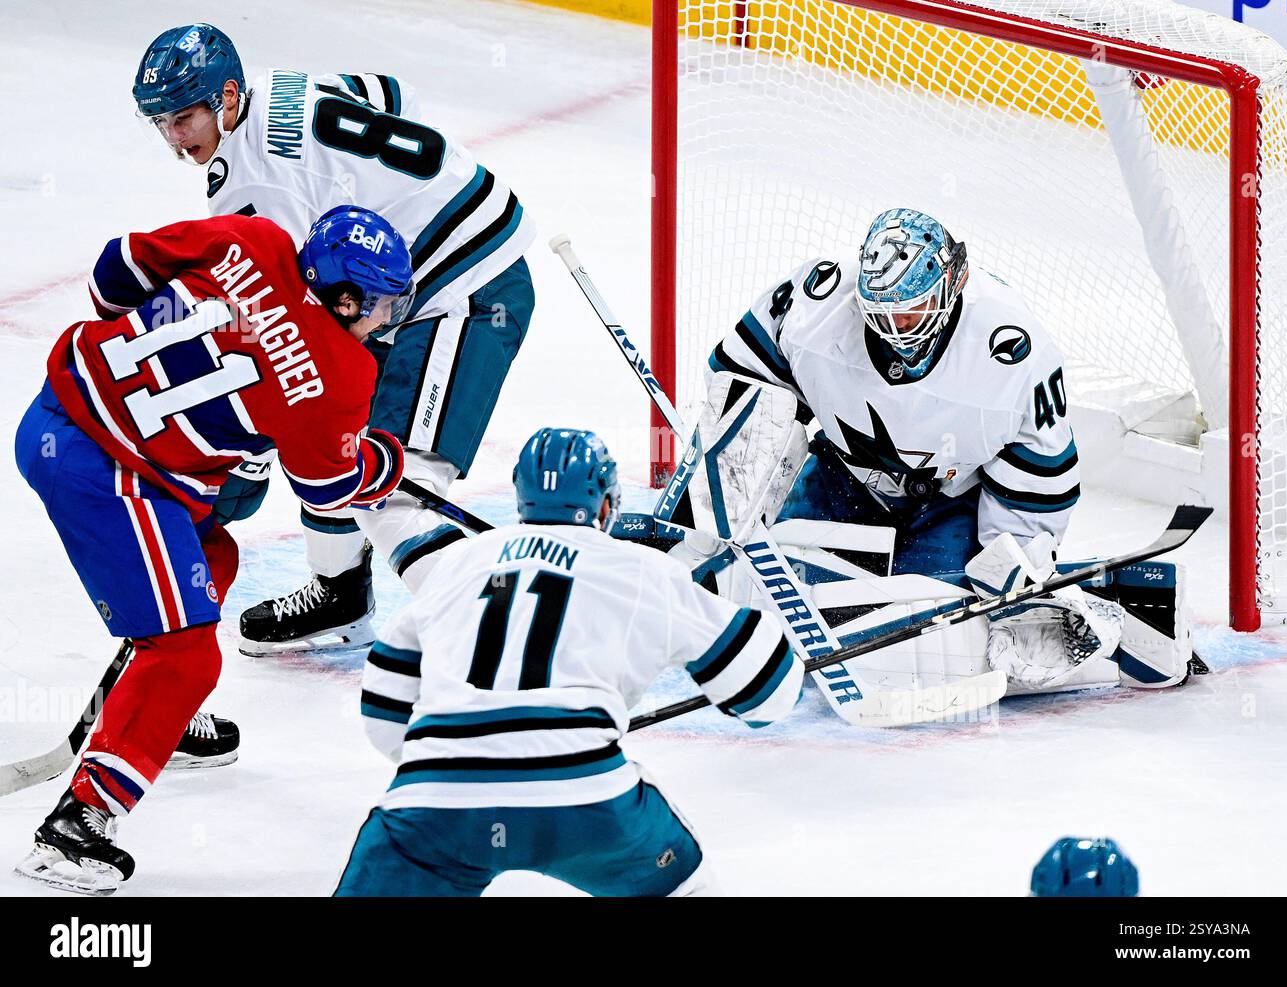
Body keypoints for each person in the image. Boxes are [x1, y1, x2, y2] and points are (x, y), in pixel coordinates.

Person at [13, 206, 411, 895]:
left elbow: (117, 269)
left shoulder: (251, 238)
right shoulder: (342, 370)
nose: (383, 318)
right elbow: (330, 487)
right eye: (378, 304)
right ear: (346, 298)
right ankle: (77, 824)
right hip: (108, 477)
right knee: (186, 651)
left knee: (213, 557)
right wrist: (386, 462)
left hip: (55, 411)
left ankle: (150, 721)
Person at [132, 24, 536, 654]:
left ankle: (490, 646)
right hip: (402, 280)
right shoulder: (286, 88)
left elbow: (289, 318)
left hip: (468, 290)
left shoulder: (253, 187)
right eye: (162, 121)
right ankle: (340, 593)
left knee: (395, 493)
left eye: (185, 118)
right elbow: (389, 95)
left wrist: (252, 451)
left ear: (228, 97)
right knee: (334, 439)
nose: (176, 138)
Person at [670, 207, 1127, 691]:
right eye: (881, 311)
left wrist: (1013, 577)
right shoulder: (815, 305)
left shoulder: (1011, 352)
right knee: (769, 598)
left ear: (952, 284)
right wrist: (723, 514)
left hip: (954, 504)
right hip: (843, 478)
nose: (896, 328)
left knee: (918, 634)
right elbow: (739, 387)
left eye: (910, 310)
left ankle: (1067, 594)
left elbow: (1038, 481)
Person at [336, 428, 802, 896]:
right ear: (605, 503)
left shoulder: (457, 565)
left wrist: (460, 755)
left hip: (435, 802)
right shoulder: (640, 570)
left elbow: (384, 712)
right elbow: (767, 688)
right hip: (586, 800)